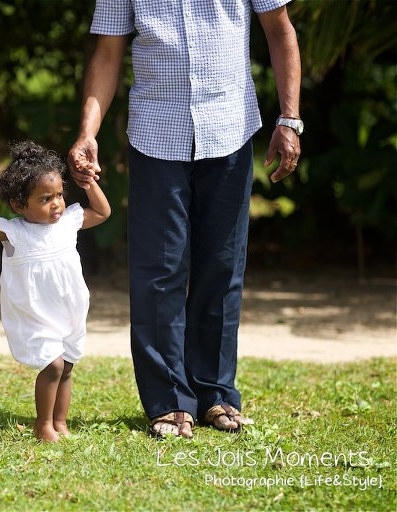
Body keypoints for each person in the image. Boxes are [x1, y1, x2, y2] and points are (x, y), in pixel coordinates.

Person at [68, 0, 302, 438]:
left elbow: (280, 31)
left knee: (222, 266)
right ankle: (168, 401)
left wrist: (289, 119)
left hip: (230, 127)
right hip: (156, 132)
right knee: (158, 271)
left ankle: (216, 394)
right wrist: (88, 132)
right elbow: (108, 52)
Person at [0, 140, 111, 442]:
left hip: (70, 308)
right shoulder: (15, 231)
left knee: (67, 365)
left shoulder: (69, 221)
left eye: (59, 194)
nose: (56, 203)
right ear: (20, 205)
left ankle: (60, 422)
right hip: (35, 315)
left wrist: (89, 182)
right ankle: (43, 424)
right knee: (53, 364)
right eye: (45, 199)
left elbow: (103, 211)